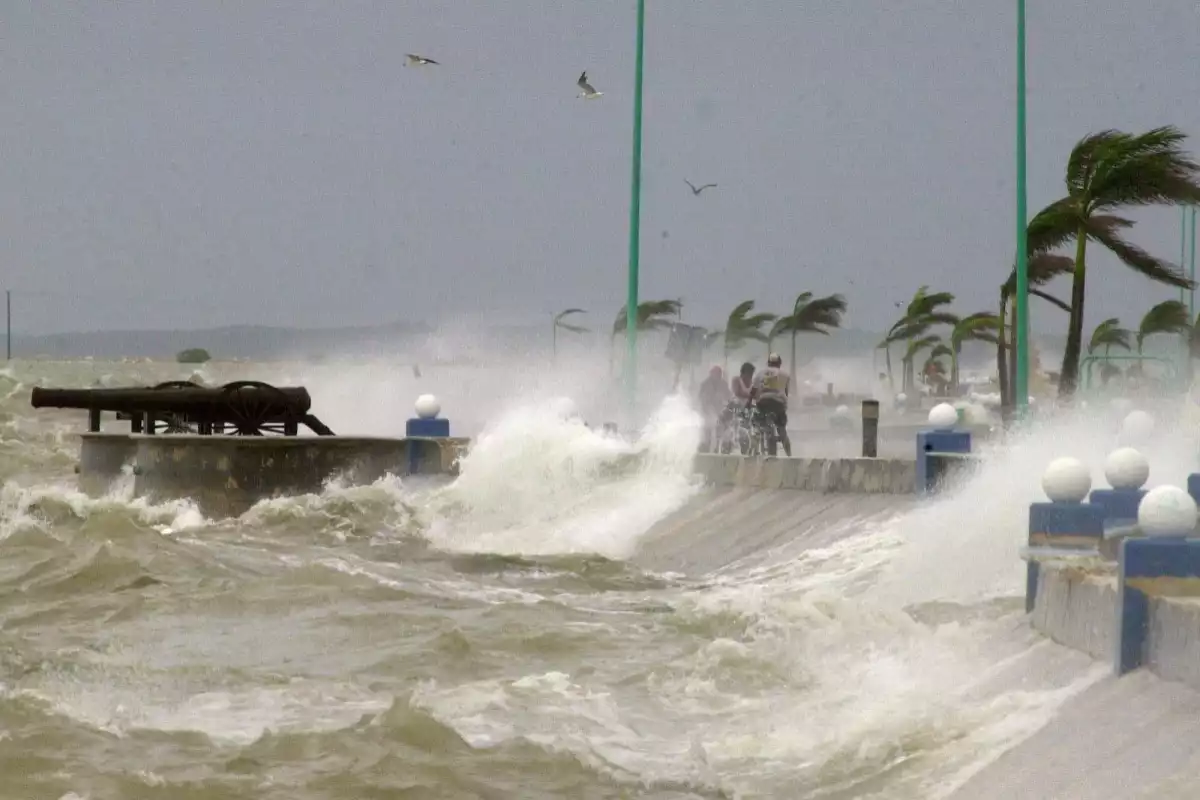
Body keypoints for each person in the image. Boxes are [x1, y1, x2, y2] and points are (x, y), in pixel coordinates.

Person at [751, 352, 792, 457]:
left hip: (763, 402)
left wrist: (749, 402)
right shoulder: (785, 375)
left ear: (768, 363)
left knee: (757, 424)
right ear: (779, 364)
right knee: (782, 430)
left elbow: (753, 391)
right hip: (778, 404)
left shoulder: (760, 373)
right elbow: (786, 393)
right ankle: (789, 455)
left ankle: (755, 444)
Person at [697, 365, 732, 452]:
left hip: (719, 409)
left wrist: (726, 404)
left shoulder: (723, 384)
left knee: (720, 429)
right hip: (707, 410)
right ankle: (706, 446)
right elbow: (701, 398)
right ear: (711, 374)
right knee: (707, 429)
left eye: (719, 374)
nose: (718, 376)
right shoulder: (705, 384)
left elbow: (728, 396)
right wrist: (705, 409)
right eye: (716, 373)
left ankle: (718, 448)